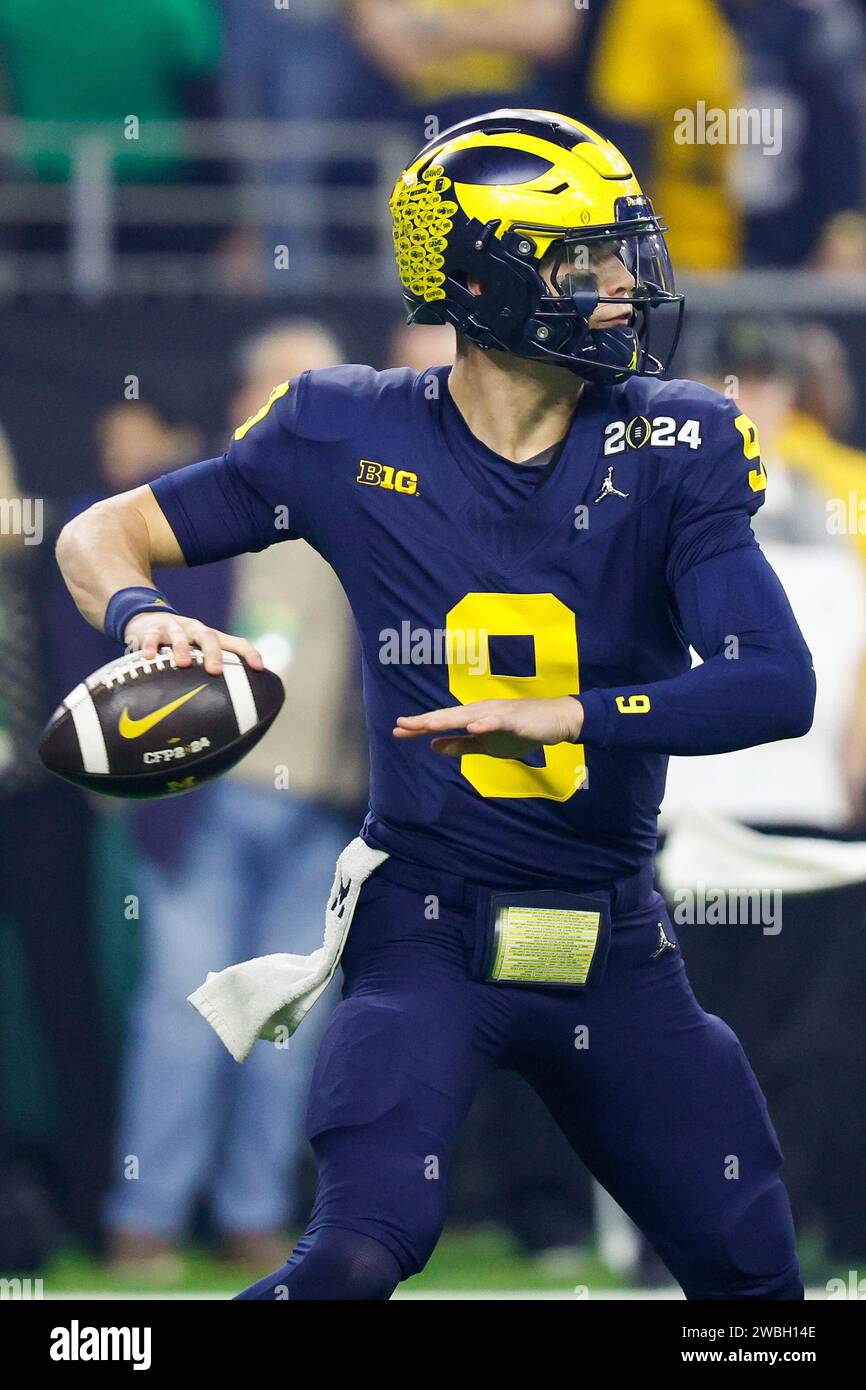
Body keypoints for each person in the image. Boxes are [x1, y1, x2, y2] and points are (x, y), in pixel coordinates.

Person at [56, 110, 815, 1301]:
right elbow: (102, 532)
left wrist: (573, 714)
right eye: (583, 259)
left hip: (613, 939)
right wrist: (141, 615)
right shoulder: (342, 429)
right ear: (484, 276)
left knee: (753, 1284)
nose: (621, 286)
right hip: (425, 931)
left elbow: (774, 683)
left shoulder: (677, 443)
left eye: (621, 253)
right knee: (356, 1253)